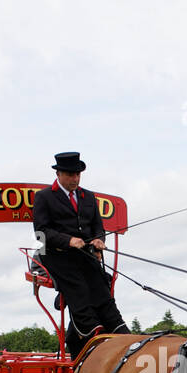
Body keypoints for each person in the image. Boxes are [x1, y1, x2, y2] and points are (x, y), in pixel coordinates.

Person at [33, 151, 129, 358]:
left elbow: (98, 227)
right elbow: (41, 232)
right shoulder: (44, 197)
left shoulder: (88, 196)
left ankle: (118, 327)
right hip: (56, 255)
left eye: (78, 175)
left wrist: (98, 240)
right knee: (77, 285)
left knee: (101, 286)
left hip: (85, 255)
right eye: (70, 175)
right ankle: (92, 330)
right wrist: (67, 240)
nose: (75, 179)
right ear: (58, 173)